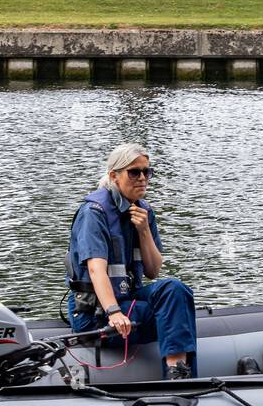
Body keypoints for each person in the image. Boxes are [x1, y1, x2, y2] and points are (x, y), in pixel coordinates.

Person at [65, 143, 197, 380]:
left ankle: (178, 374)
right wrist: (114, 312)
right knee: (177, 314)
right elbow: (96, 270)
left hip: (130, 300)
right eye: (134, 172)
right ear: (114, 176)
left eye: (147, 172)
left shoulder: (143, 211)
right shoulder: (94, 212)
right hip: (96, 314)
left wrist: (144, 231)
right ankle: (178, 376)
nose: (143, 178)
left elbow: (153, 271)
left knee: (175, 289)